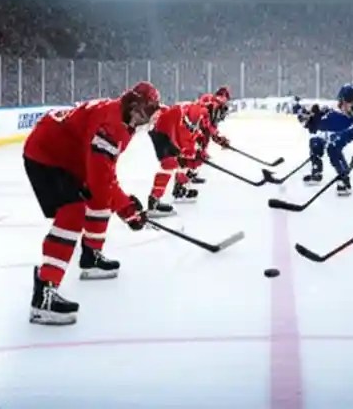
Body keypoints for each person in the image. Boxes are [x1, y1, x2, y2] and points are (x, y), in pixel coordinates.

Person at [22, 81, 162, 326]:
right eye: (143, 114)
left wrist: (124, 207)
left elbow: (104, 177)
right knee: (72, 214)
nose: (143, 121)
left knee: (98, 199)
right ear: (134, 106)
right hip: (47, 155)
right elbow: (100, 181)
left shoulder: (121, 119)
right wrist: (128, 210)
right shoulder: (111, 125)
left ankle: (90, 256)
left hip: (67, 156)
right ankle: (43, 296)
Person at [145, 99, 211, 216]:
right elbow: (181, 145)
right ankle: (154, 201)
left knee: (175, 163)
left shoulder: (193, 114)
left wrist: (195, 156)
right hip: (160, 132)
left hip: (162, 131)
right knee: (169, 164)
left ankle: (170, 192)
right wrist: (193, 156)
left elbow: (187, 143)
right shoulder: (178, 117)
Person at [297, 101, 353, 186]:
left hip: (347, 129)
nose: (304, 123)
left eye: (304, 119)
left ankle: (344, 178)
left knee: (333, 150)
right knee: (315, 144)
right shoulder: (316, 122)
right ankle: (316, 172)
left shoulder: (324, 118)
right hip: (336, 129)